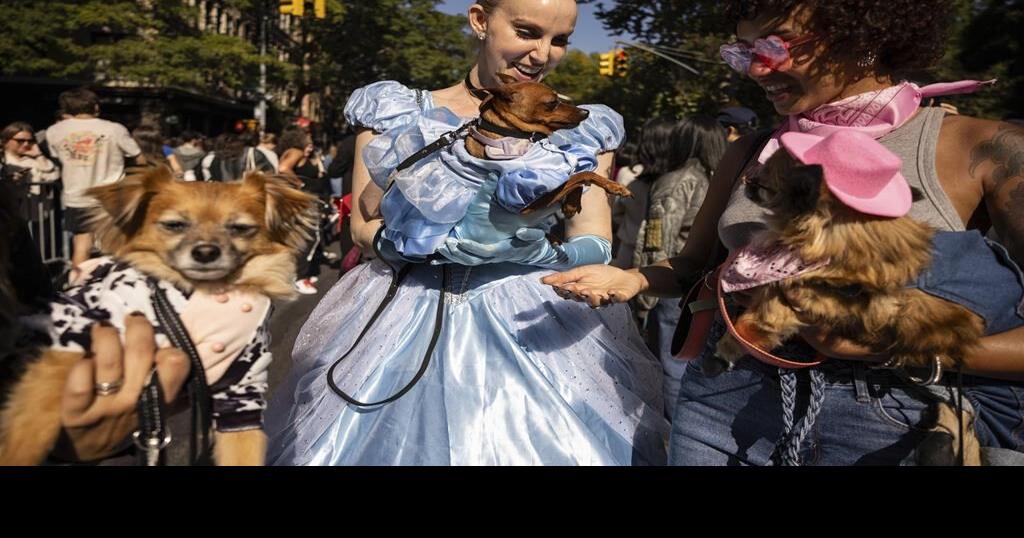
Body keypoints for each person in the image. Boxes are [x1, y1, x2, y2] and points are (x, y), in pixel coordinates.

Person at [544, 0, 1024, 465]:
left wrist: (899, 346)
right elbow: (694, 264)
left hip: (894, 422)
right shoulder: (753, 148)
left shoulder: (987, 149)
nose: (755, 70)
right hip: (722, 401)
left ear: (866, 33)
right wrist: (634, 279)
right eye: (745, 52)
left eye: (776, 46)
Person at [264, 0, 668, 466]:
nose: (542, 54)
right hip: (402, 314)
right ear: (480, 20)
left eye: (559, 41)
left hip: (530, 322)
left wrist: (533, 251)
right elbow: (362, 226)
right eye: (526, 31)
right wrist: (425, 248)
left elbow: (596, 239)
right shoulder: (396, 111)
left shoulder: (578, 125)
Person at [612, 115, 726, 412]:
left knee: (669, 365)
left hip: (674, 286)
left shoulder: (677, 181)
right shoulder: (714, 178)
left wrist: (645, 294)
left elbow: (656, 240)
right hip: (702, 285)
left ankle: (671, 430)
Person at [45, 87, 143, 272]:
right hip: (110, 195)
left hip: (76, 195)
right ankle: (116, 285)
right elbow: (139, 157)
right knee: (117, 243)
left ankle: (77, 287)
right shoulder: (114, 129)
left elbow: (57, 157)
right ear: (95, 106)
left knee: (81, 245)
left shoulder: (54, 131)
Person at [1, 122, 60, 196]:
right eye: (20, 141)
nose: (26, 144)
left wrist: (38, 155)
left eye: (30, 141)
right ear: (6, 141)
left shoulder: (33, 161)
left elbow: (53, 177)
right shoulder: (3, 160)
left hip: (34, 205)